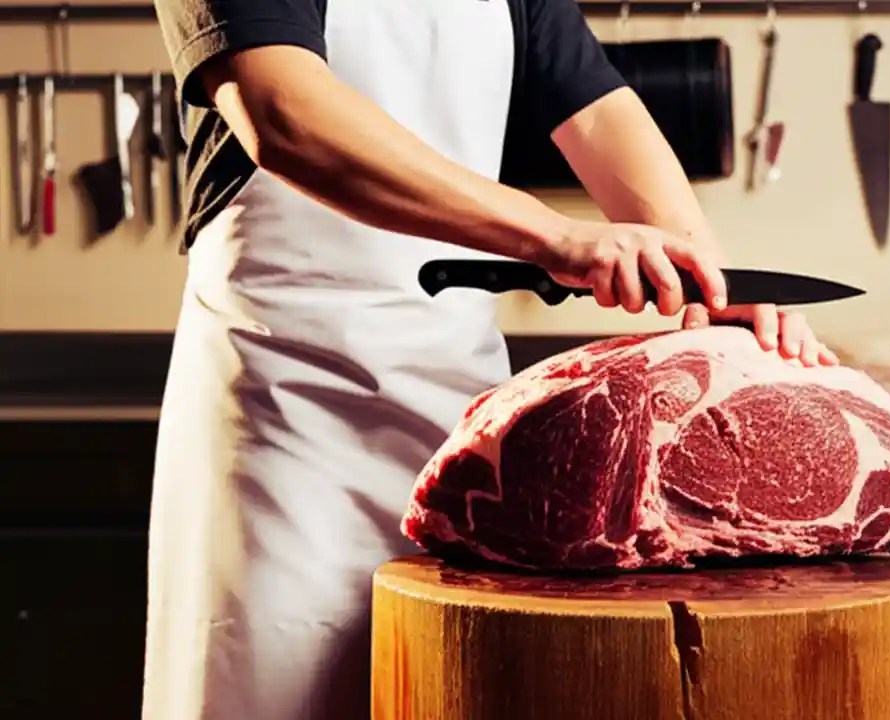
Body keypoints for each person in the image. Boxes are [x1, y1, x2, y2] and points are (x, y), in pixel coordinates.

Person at [143, 0, 838, 718]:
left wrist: (702, 273)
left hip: (459, 415)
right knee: (281, 689)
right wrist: (555, 236)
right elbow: (283, 110)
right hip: (286, 413)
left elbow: (596, 110)